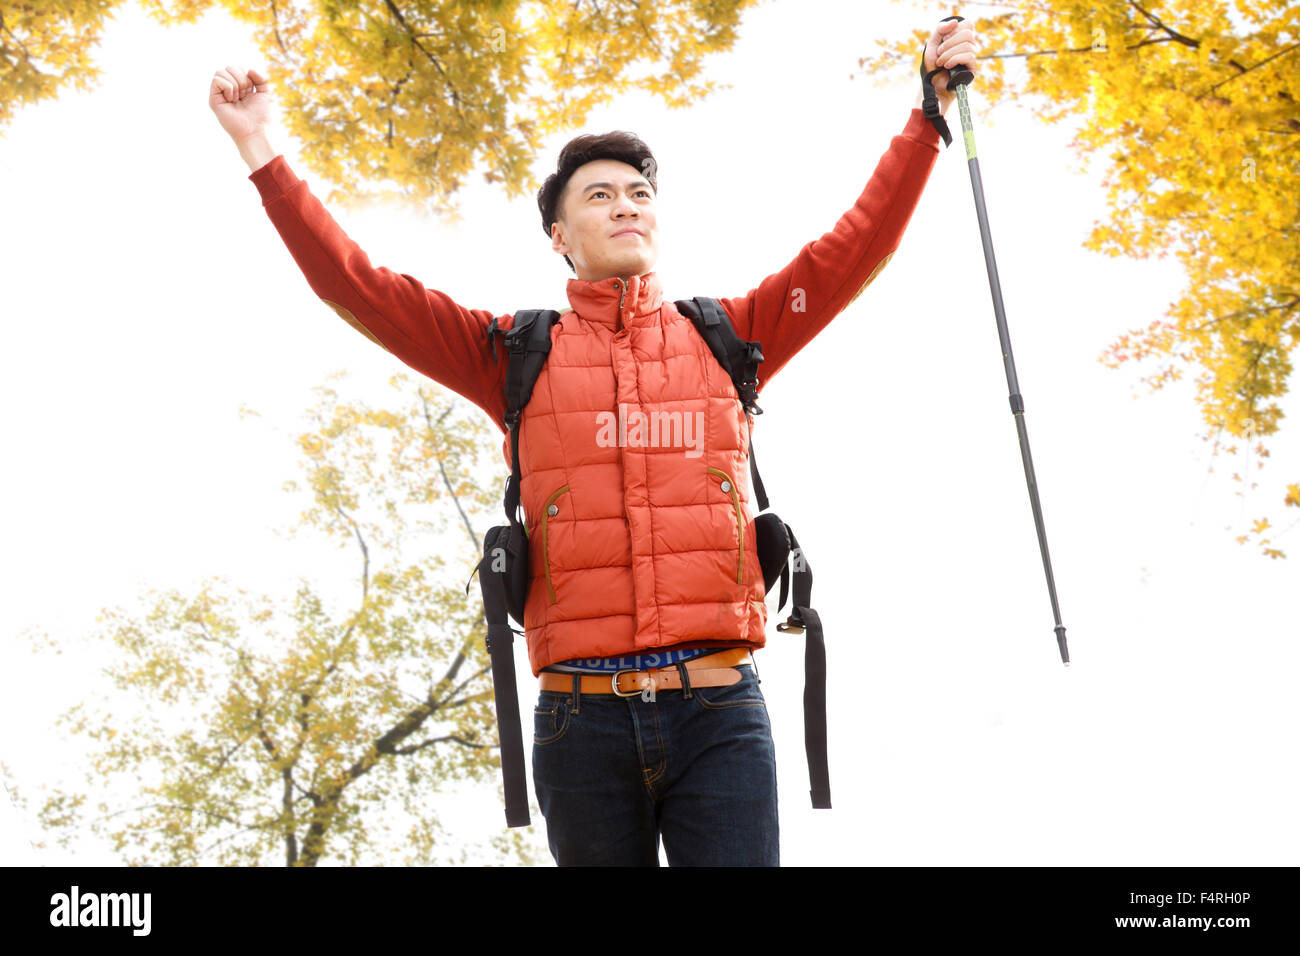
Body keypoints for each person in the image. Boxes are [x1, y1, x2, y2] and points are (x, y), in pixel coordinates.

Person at [210, 16, 979, 866]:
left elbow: (853, 247)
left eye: (640, 194)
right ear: (559, 237)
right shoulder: (508, 353)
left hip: (720, 714)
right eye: (600, 196)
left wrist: (927, 120)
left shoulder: (733, 335)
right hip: (580, 725)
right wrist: (261, 149)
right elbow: (355, 285)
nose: (626, 205)